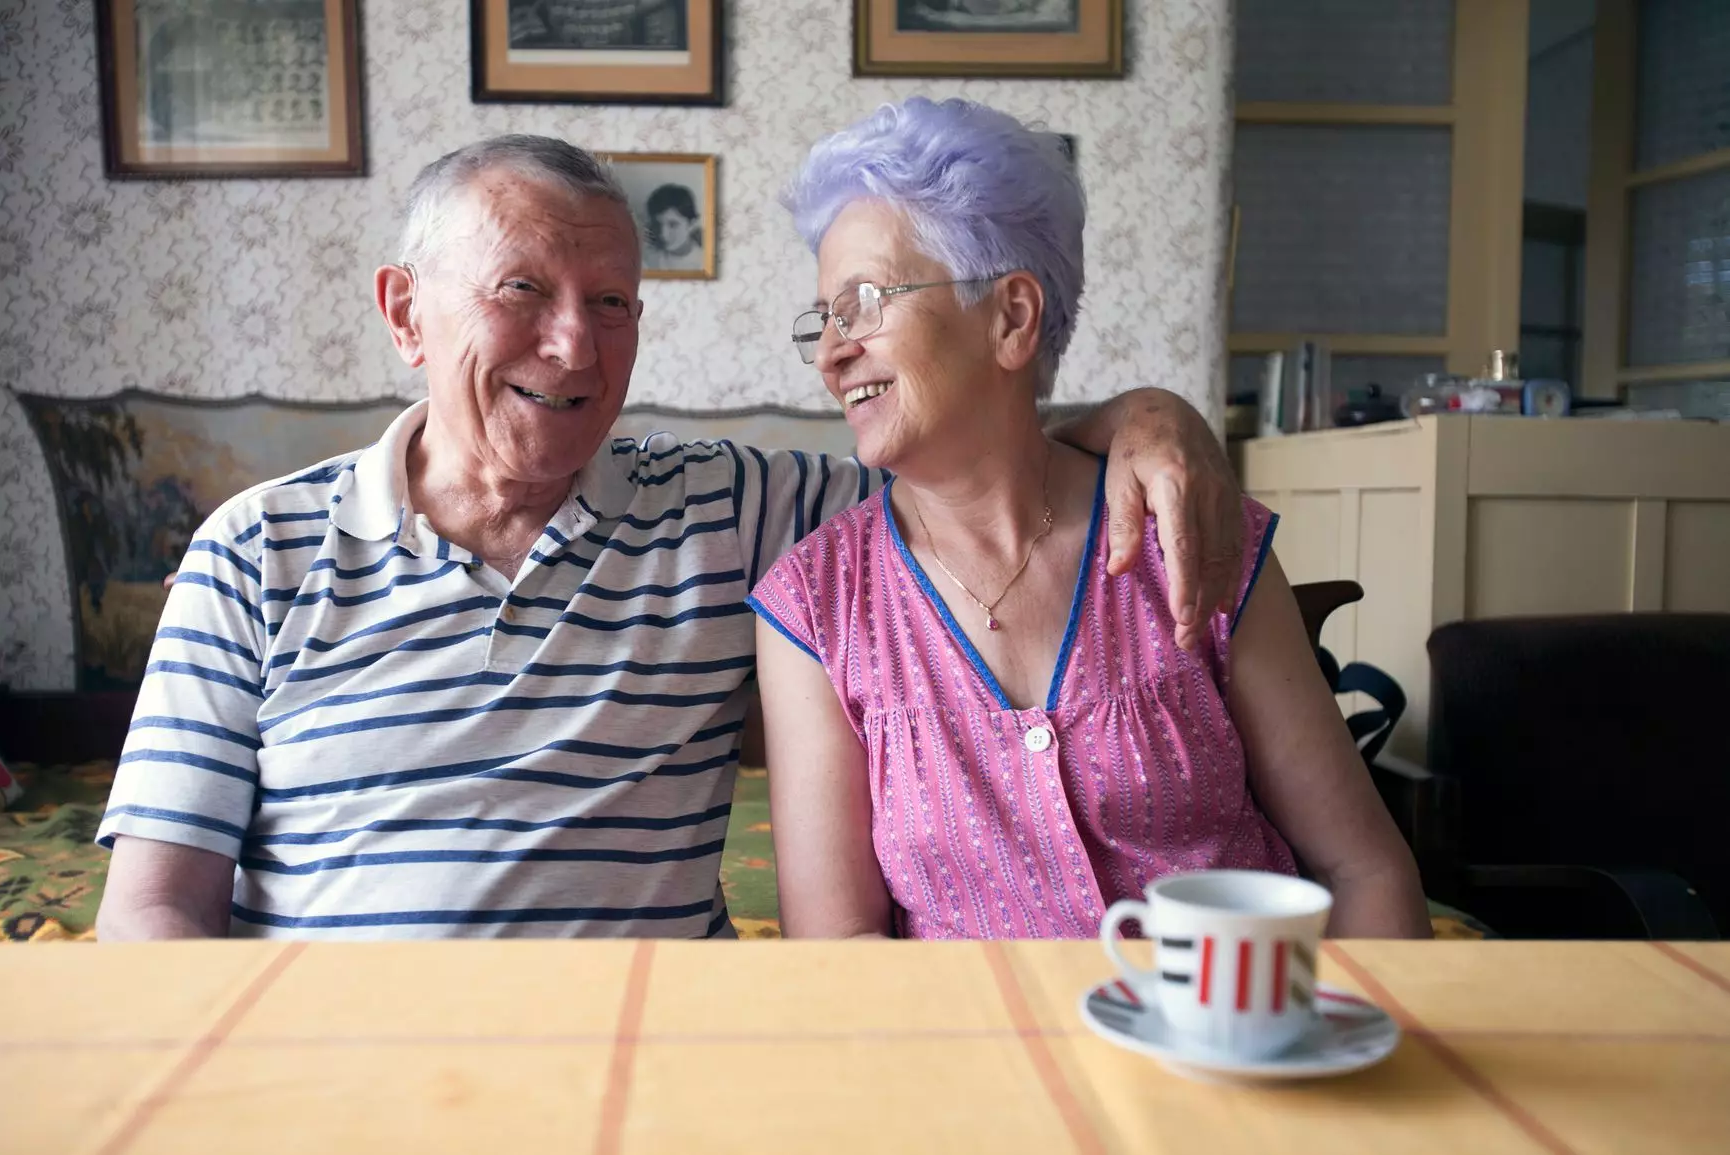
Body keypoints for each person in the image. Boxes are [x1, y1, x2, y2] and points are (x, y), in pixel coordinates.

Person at [94, 134, 1243, 940]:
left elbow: (966, 460)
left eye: (611, 304)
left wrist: (1145, 416)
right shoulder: (256, 550)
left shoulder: (735, 512)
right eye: (522, 291)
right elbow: (152, 909)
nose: (575, 347)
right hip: (347, 1080)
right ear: (406, 312)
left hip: (649, 1065)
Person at [748, 99, 1430, 941]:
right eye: (824, 319)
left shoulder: (1188, 531)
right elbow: (838, 950)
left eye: (862, 304)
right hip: (981, 1059)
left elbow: (1361, 867)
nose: (831, 350)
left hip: (1228, 1039)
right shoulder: (815, 605)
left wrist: (1337, 1050)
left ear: (1013, 317)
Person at [643, 183, 704, 272]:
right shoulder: (647, 258)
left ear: (692, 224)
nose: (663, 234)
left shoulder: (704, 263)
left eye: (673, 225)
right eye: (657, 224)